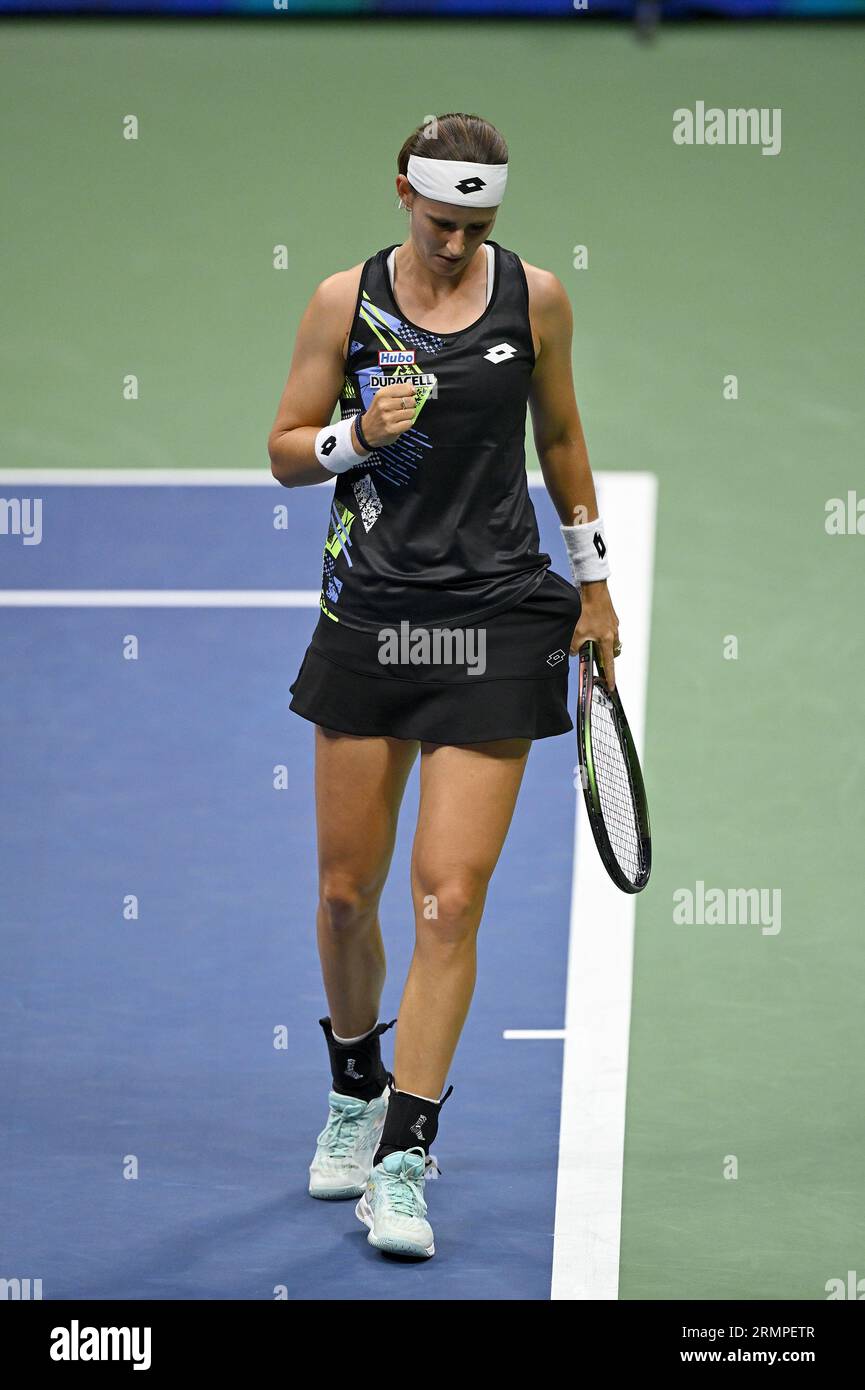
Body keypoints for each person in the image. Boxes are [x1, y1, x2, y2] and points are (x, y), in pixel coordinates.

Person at [268, 113, 620, 1261]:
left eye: (479, 223)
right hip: (369, 618)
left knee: (446, 901)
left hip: (492, 622)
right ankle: (354, 1086)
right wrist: (352, 435)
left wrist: (595, 586)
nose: (460, 241)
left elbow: (561, 437)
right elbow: (281, 447)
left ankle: (407, 1157)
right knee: (341, 893)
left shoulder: (537, 299)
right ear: (403, 198)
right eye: (441, 220)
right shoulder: (343, 302)